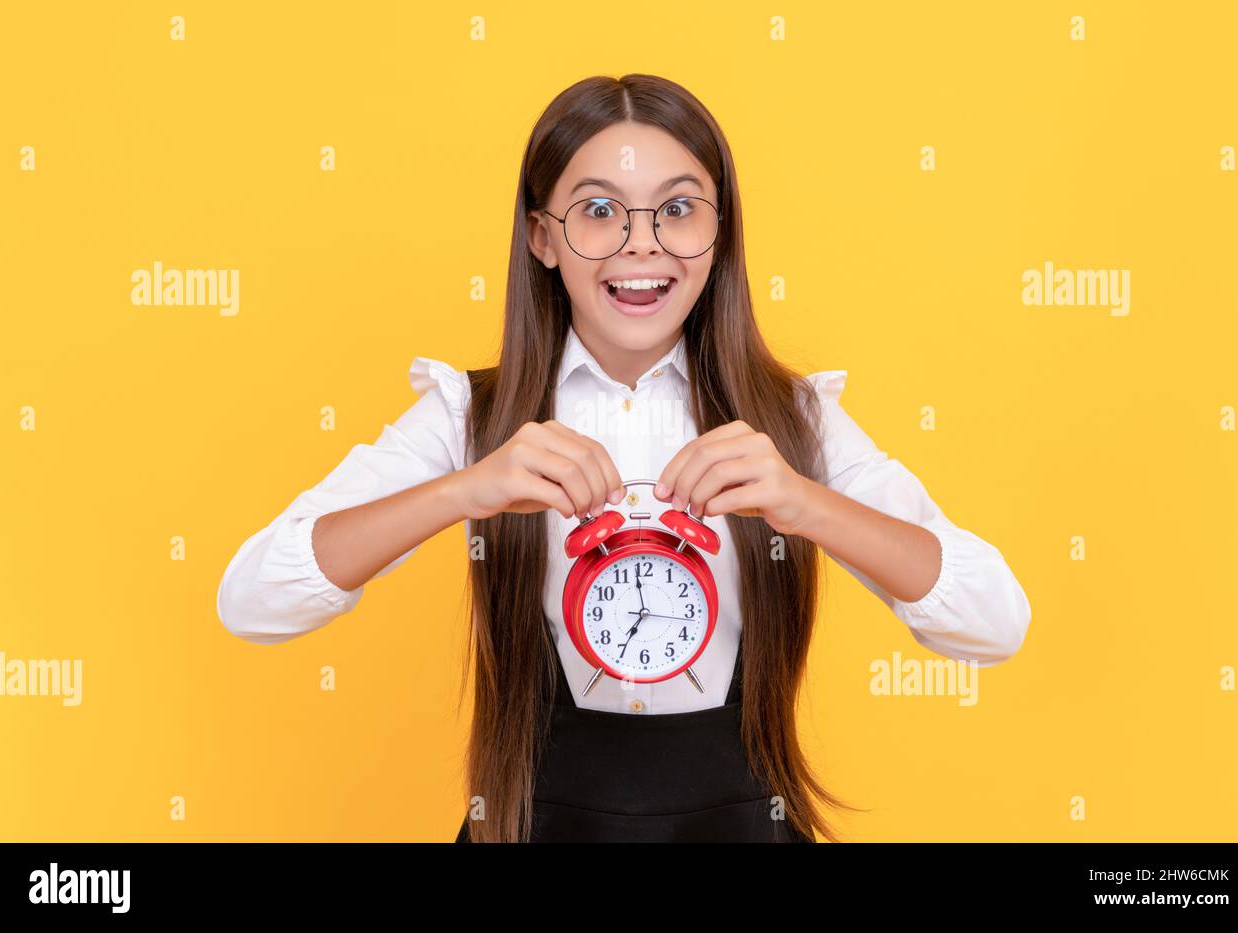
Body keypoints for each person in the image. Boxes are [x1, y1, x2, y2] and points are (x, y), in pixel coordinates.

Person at [217, 73, 1032, 843]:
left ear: (719, 234)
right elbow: (253, 600)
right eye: (599, 210)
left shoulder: (794, 419)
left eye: (678, 209)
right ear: (542, 236)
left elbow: (996, 623)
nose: (642, 247)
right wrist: (467, 489)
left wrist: (802, 502)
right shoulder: (471, 415)